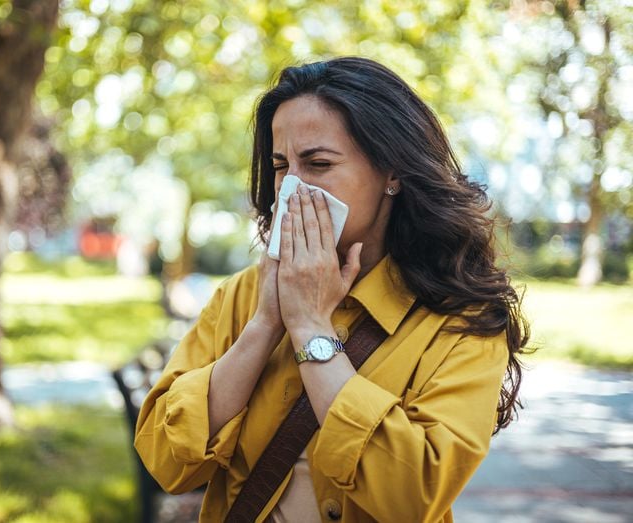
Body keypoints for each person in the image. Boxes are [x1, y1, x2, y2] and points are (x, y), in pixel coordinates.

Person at [134, 56, 530, 522]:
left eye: (319, 163)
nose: (293, 189)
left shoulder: (461, 320)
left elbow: (414, 495)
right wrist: (264, 324)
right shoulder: (242, 295)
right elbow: (164, 459)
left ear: (393, 174)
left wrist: (309, 328)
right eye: (281, 166)